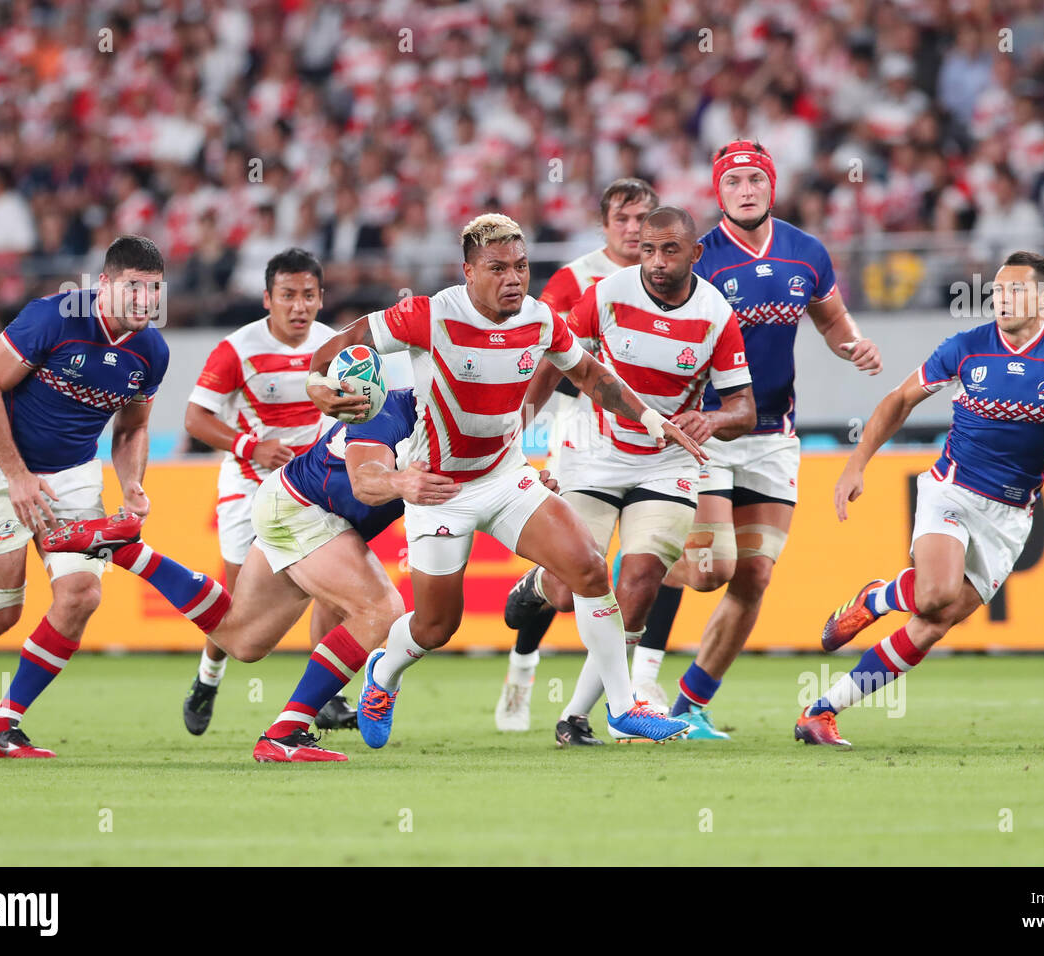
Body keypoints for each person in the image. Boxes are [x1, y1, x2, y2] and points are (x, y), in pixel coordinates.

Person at [307, 213, 705, 749]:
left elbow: (588, 375)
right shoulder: (426, 315)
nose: (514, 278)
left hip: (505, 477)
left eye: (520, 266)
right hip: (440, 490)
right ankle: (383, 675)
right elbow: (337, 346)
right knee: (435, 627)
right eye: (497, 268)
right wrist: (316, 384)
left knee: (589, 568)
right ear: (468, 271)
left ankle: (621, 707)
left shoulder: (539, 319)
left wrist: (652, 418)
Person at [43, 383, 486, 762]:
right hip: (303, 509)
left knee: (243, 640)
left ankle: (128, 551)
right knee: (380, 608)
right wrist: (401, 483)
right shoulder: (388, 410)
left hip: (290, 501)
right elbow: (363, 481)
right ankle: (285, 734)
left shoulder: (465, 429)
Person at [799, 251, 1044, 748]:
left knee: (933, 625)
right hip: (952, 491)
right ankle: (879, 598)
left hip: (1011, 516)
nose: (1003, 299)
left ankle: (822, 710)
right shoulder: (966, 347)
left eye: (1016, 290)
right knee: (936, 593)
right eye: (998, 291)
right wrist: (856, 464)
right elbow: (899, 400)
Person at [634, 140, 882, 738]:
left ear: (772, 186)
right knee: (711, 569)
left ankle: (690, 704)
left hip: (773, 437)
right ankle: (644, 567)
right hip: (708, 432)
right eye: (734, 182)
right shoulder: (699, 257)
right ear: (718, 193)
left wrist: (854, 344)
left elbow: (831, 321)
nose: (746, 190)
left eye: (755, 180)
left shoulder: (807, 252)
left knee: (755, 579)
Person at [502, 206, 755, 746]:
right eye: (647, 250)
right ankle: (540, 585)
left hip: (668, 463)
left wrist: (712, 417)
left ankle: (575, 716)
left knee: (637, 586)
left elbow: (744, 409)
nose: (657, 262)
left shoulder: (716, 315)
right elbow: (557, 358)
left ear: (695, 254)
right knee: (572, 589)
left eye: (669, 250)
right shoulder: (609, 292)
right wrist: (518, 426)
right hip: (594, 452)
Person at [0, 236, 170, 758]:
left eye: (154, 289)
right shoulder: (51, 319)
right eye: (134, 287)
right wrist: (16, 475)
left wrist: (131, 484)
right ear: (103, 285)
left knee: (81, 595)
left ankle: (4, 725)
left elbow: (131, 430)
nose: (146, 300)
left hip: (75, 476)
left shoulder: (152, 352)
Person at [494, 176, 657, 731]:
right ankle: (523, 663)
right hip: (582, 428)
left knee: (652, 564)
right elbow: (539, 349)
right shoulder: (574, 278)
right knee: (566, 570)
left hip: (652, 441)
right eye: (624, 219)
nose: (634, 229)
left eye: (643, 219)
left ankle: (632, 687)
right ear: (605, 224)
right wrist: (518, 425)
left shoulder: (673, 275)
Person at [179, 247, 355, 735]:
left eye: (308, 296)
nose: (298, 306)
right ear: (267, 299)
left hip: (311, 489)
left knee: (338, 587)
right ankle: (208, 677)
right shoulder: (238, 349)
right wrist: (249, 446)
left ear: (321, 299)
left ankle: (328, 697)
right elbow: (195, 419)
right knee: (238, 611)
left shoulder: (335, 346)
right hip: (250, 484)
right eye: (288, 296)